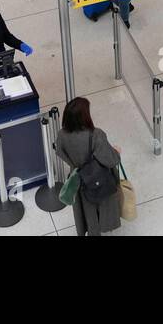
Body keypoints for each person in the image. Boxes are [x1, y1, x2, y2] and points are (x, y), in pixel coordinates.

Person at [54, 97, 122, 236]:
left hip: (80, 179)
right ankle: (105, 227)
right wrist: (116, 151)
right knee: (103, 206)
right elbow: (111, 160)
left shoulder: (61, 135)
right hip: (100, 178)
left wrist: (75, 165)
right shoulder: (96, 134)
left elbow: (60, 152)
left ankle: (92, 231)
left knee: (87, 210)